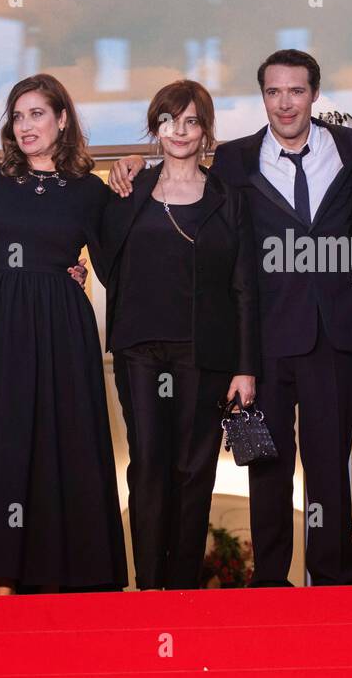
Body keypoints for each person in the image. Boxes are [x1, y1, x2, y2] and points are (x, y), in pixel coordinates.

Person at [107, 50, 352, 587]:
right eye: (274, 92)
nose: (285, 103)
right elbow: (179, 172)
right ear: (263, 97)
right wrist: (131, 167)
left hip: (333, 335)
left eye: (297, 91)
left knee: (331, 464)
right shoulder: (235, 162)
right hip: (261, 341)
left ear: (314, 94)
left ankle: (333, 579)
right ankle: (269, 582)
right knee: (266, 465)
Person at [0, 74, 127, 594]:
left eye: (37, 114)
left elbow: (116, 259)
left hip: (61, 327)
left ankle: (67, 577)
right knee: (1, 440)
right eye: (18, 116)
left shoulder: (91, 191)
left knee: (61, 437)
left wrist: (86, 273)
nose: (26, 126)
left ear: (62, 120)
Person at [98, 80, 260, 590]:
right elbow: (103, 260)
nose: (181, 131)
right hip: (140, 348)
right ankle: (148, 587)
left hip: (205, 353)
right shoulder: (128, 190)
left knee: (194, 468)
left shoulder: (228, 199)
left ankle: (183, 590)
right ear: (156, 128)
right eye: (170, 121)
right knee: (148, 462)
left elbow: (244, 287)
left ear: (206, 130)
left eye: (192, 121)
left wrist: (245, 366)